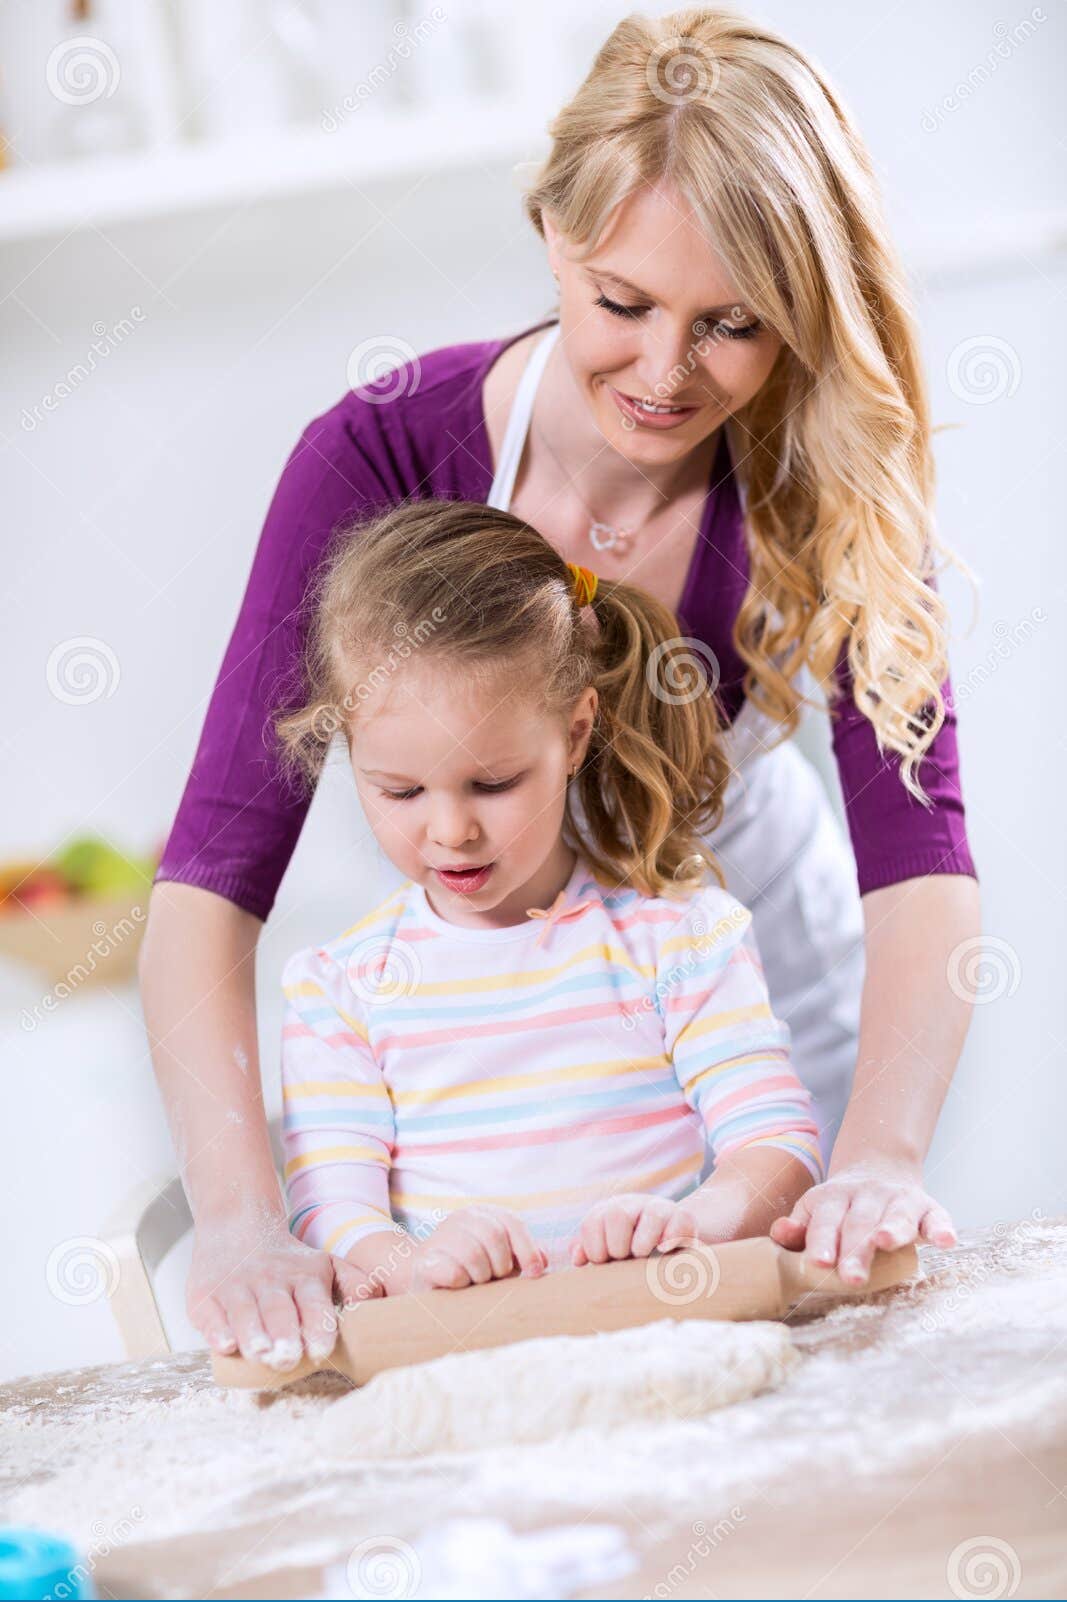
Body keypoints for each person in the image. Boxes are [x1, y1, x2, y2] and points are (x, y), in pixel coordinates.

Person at [141, 7, 977, 1367]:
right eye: (622, 302)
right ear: (550, 232)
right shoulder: (376, 456)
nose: (662, 373)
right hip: (497, 1060)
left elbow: (917, 844)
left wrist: (870, 1151)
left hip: (754, 1032)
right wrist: (242, 1220)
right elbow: (211, 880)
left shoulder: (822, 480)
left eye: (730, 325)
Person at [270, 497, 825, 1358]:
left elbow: (773, 1138)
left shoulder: (678, 943)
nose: (450, 830)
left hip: (668, 1350)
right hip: (462, 1378)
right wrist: (408, 1261)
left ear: (574, 733)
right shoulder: (341, 991)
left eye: (492, 784)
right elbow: (329, 1206)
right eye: (401, 791)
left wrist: (697, 1222)